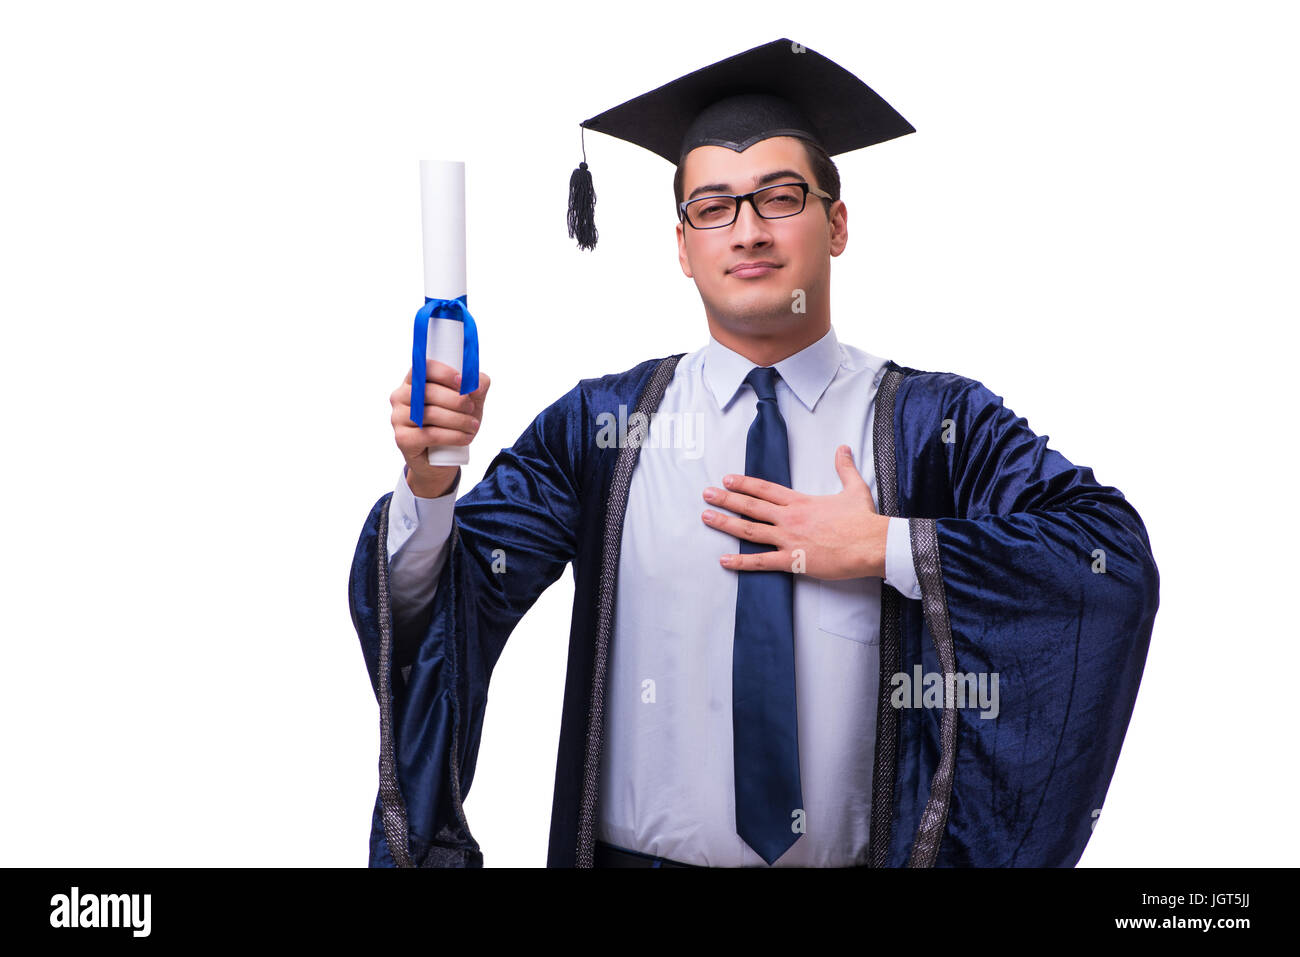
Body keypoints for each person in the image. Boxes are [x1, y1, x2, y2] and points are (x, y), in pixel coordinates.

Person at [348, 38, 1160, 868]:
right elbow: (432, 614)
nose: (747, 230)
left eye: (779, 197)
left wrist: (888, 546)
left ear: (836, 223)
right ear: (682, 246)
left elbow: (1107, 559)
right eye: (713, 207)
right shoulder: (603, 427)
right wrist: (431, 483)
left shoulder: (934, 423)